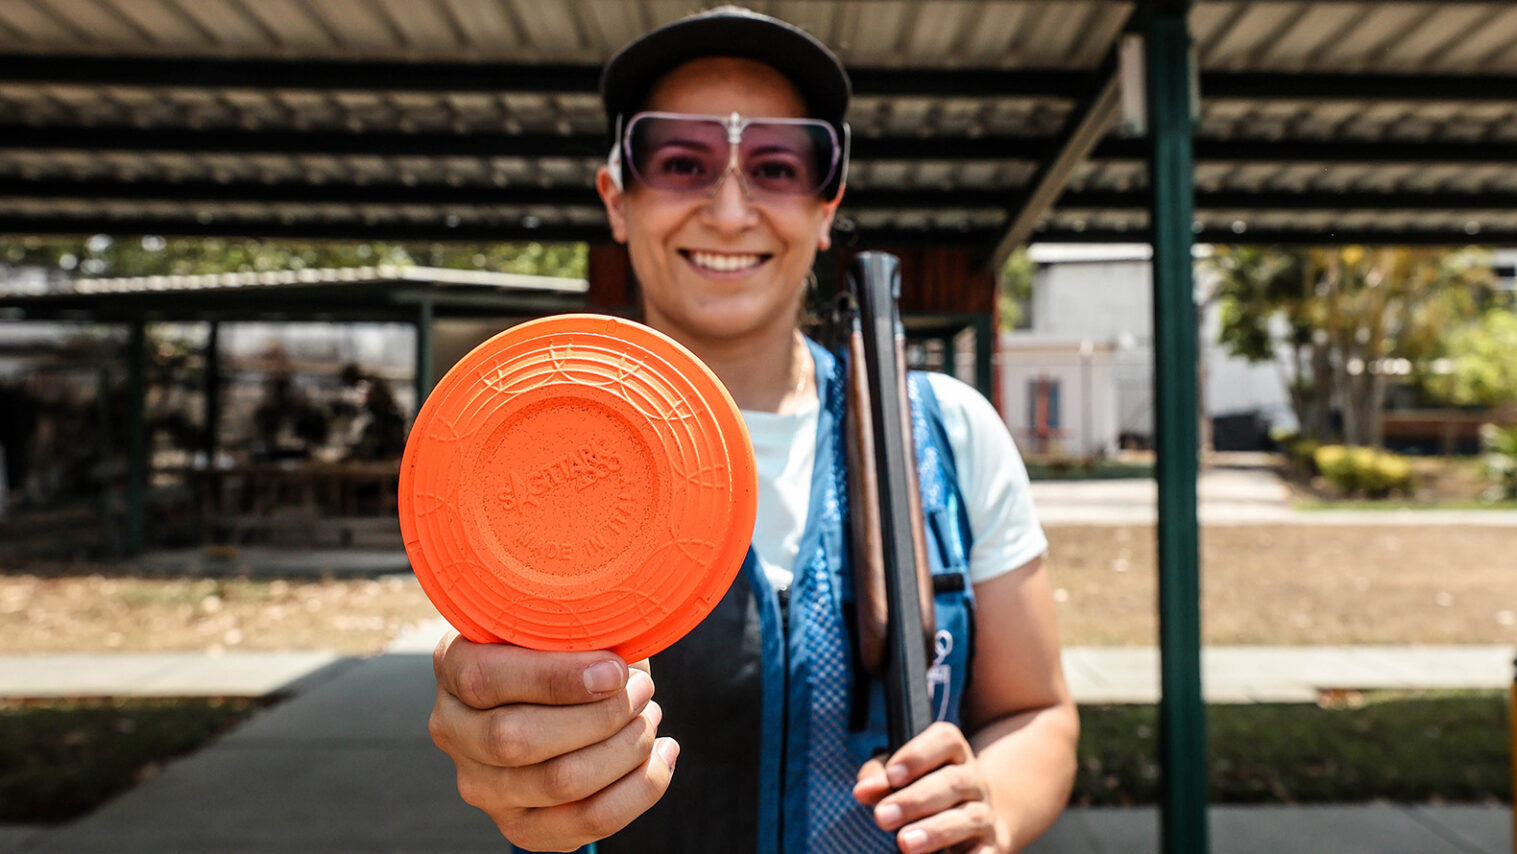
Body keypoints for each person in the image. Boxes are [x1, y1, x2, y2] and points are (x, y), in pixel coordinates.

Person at [428, 8, 1078, 853]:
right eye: (680, 162)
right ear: (617, 200)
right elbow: (493, 706)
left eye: (776, 166)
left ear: (826, 204)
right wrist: (506, 749)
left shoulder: (947, 434)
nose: (730, 210)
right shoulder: (539, 452)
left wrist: (991, 803)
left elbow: (1037, 711)